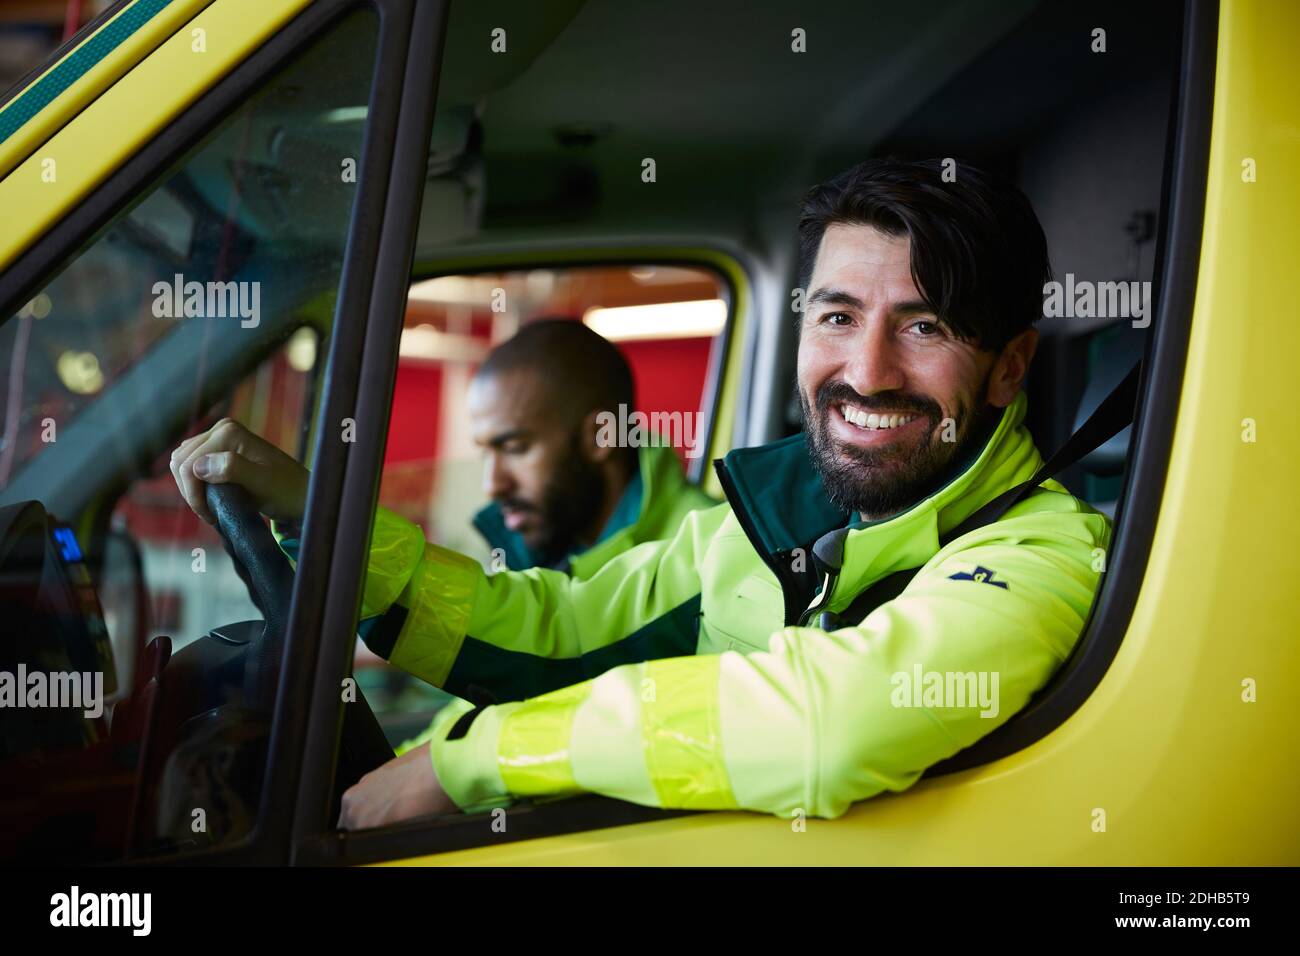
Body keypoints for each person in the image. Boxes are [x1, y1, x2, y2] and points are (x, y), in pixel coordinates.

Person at [170, 157, 1111, 828]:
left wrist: (474, 764)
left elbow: (828, 726)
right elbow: (549, 634)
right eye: (838, 315)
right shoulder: (771, 516)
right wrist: (315, 518)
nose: (865, 371)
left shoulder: (1044, 554)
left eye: (926, 326)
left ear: (1007, 369)